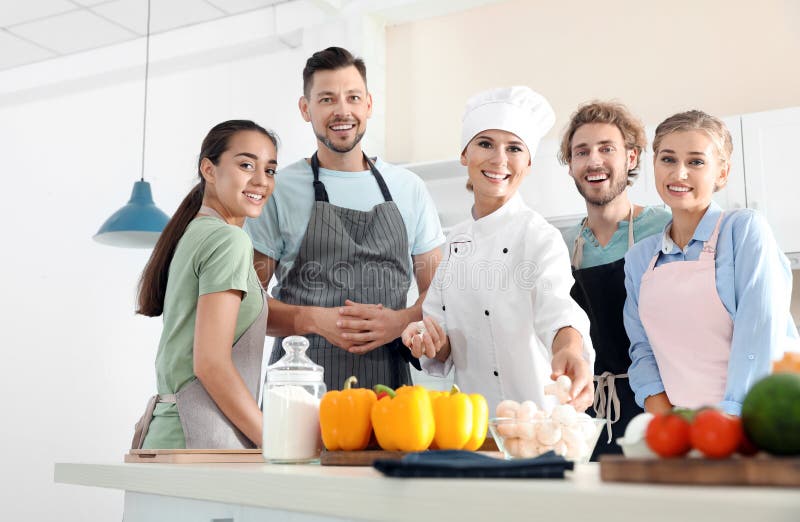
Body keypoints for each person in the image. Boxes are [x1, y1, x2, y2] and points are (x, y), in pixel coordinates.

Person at [245, 47, 444, 392]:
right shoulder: (278, 190)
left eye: (352, 97)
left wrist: (400, 321)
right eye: (326, 99)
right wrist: (312, 319)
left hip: (391, 392)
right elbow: (247, 302)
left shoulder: (408, 188)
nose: (342, 111)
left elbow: (439, 293)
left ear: (368, 104)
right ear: (306, 109)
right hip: (298, 393)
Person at [400, 86, 595, 414]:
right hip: (475, 428)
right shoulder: (455, 245)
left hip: (540, 423)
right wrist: (427, 341)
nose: (499, 160)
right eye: (485, 143)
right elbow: (442, 338)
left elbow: (558, 311)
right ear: (465, 154)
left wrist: (571, 351)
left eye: (514, 148)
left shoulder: (538, 236)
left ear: (529, 162)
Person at [624, 110, 799, 416]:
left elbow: (758, 336)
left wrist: (730, 418)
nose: (679, 173)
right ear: (654, 165)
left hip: (763, 417)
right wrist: (668, 421)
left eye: (695, 162)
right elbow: (642, 350)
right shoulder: (640, 259)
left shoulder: (743, 230)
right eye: (668, 159)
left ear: (722, 173)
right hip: (688, 428)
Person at [132, 120, 279, 449]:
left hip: (167, 433)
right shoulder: (229, 240)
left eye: (270, 170)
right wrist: (278, 443)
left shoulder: (193, 232)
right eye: (246, 165)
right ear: (209, 170)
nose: (261, 181)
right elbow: (211, 363)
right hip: (198, 438)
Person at [558, 101, 671, 457]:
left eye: (607, 148)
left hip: (658, 402)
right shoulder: (562, 246)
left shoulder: (666, 229)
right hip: (587, 412)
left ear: (632, 158)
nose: (594, 161)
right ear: (572, 166)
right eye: (582, 152)